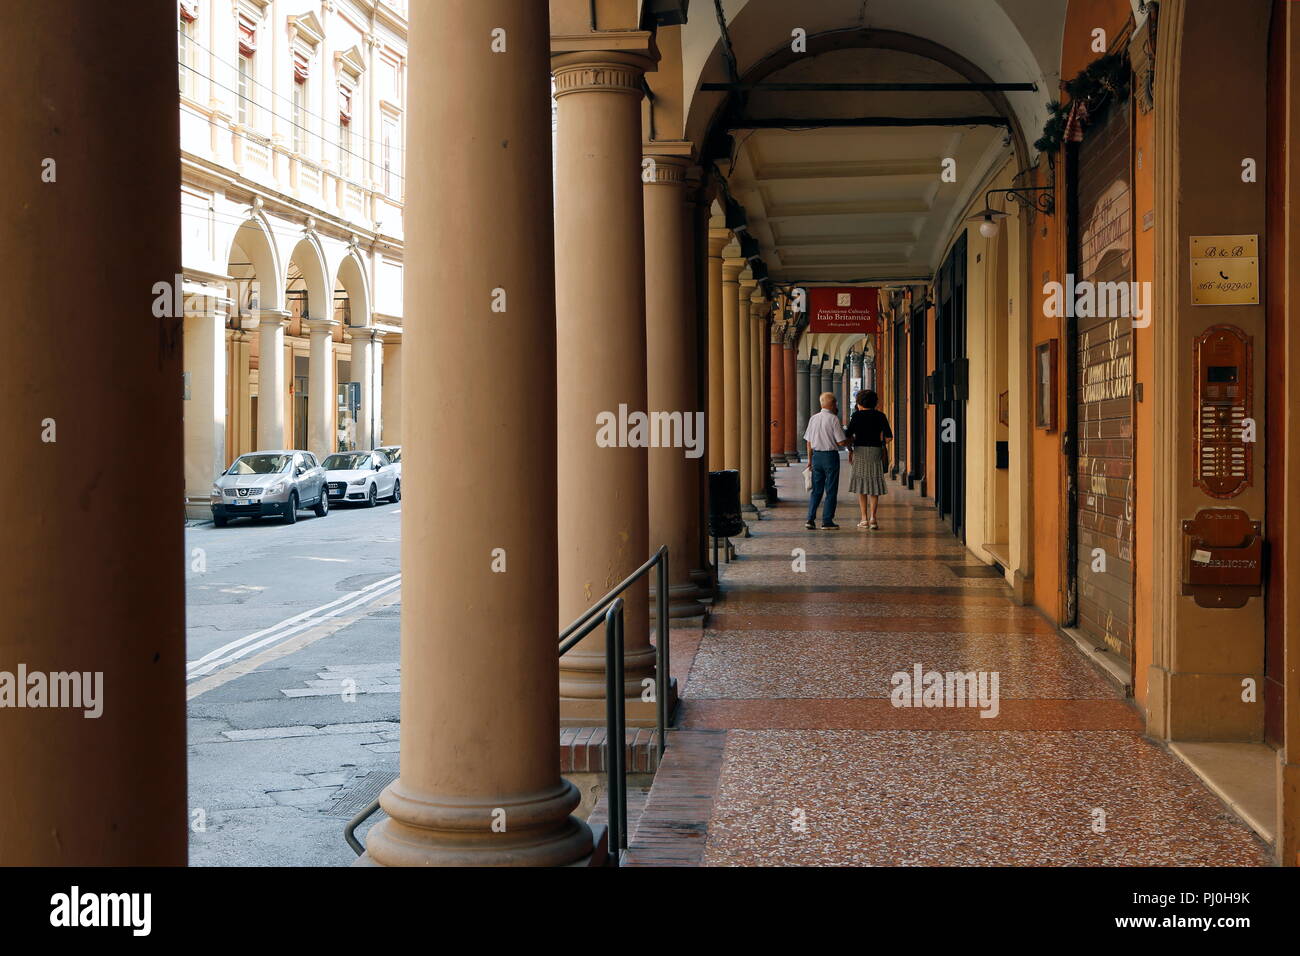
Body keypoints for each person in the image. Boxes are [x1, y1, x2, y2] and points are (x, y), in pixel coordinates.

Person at [845, 389, 893, 530]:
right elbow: (889, 437)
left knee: (861, 484)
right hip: (875, 451)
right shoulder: (880, 416)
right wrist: (882, 442)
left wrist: (851, 448)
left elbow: (847, 436)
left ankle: (864, 519)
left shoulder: (856, 416)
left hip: (859, 451)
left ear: (859, 402)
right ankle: (873, 518)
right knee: (874, 483)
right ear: (875, 402)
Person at [803, 391, 850, 530]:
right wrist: (851, 441)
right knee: (831, 489)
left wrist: (810, 460)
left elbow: (808, 442)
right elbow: (841, 442)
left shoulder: (813, 418)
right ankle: (827, 521)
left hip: (816, 456)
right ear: (833, 404)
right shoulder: (834, 419)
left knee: (816, 490)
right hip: (830, 457)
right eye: (835, 403)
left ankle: (810, 519)